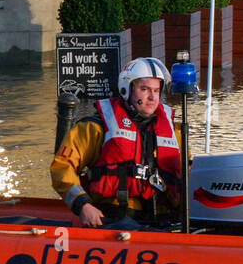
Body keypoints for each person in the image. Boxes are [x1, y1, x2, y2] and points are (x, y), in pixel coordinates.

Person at [50, 57, 182, 228]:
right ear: (127, 89)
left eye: (156, 91)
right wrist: (83, 205)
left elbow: (188, 174)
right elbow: (62, 166)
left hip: (163, 220)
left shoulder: (174, 131)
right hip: (112, 218)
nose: (152, 97)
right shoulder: (96, 127)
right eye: (144, 89)